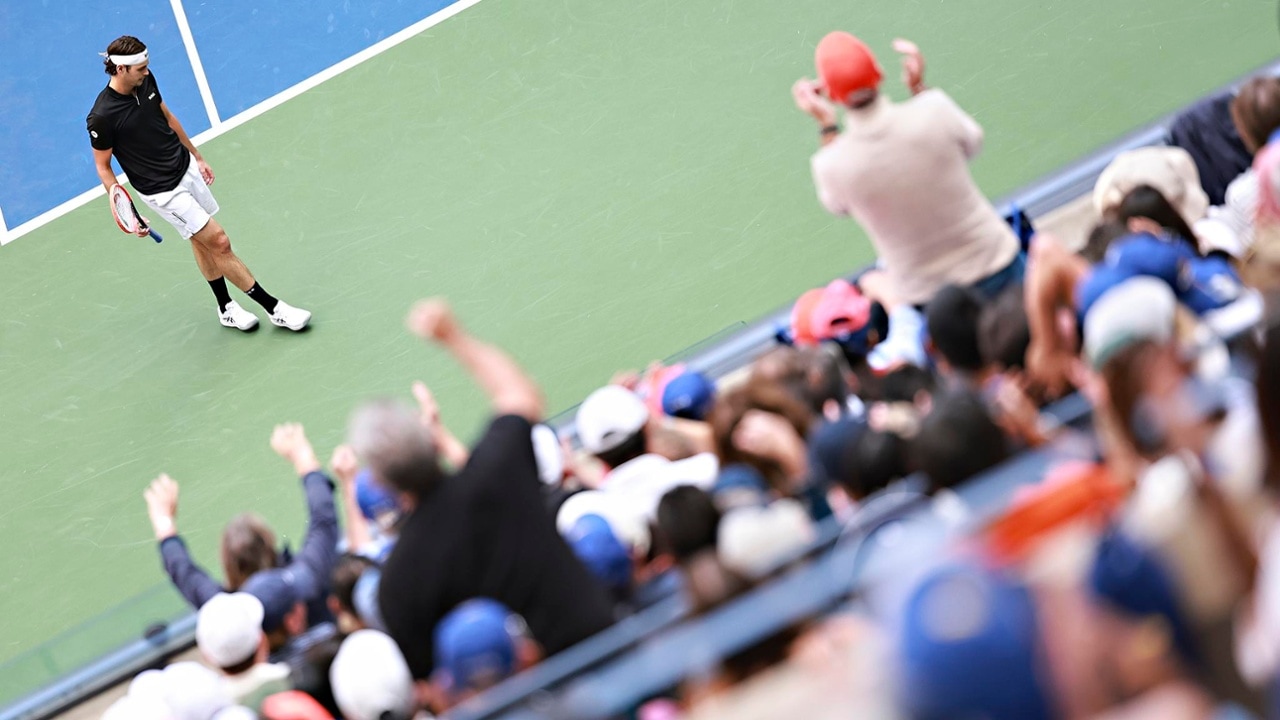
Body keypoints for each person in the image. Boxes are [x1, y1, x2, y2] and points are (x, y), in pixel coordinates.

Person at [350, 298, 615, 680]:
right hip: (607, 648)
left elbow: (433, 684)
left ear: (386, 483)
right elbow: (520, 396)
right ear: (430, 442)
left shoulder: (397, 584)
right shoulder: (500, 469)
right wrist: (453, 336)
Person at [87, 35, 310, 332]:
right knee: (218, 240)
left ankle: (226, 308)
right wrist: (124, 204)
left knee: (199, 237)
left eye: (146, 66)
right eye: (140, 68)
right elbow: (103, 167)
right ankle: (275, 309)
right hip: (162, 191)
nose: (146, 71)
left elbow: (165, 116)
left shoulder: (145, 80)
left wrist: (197, 156)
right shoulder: (101, 116)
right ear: (121, 69)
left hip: (184, 167)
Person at [792, 32, 1021, 306]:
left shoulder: (830, 164)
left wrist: (827, 124)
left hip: (929, 298)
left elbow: (836, 205)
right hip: (996, 261)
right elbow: (972, 144)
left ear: (831, 95)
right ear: (879, 74)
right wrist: (920, 90)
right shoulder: (934, 109)